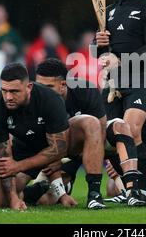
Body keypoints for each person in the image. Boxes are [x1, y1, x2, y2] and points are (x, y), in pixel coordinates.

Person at [0, 63, 104, 210]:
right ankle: (38, 189)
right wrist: (13, 197)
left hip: (55, 148)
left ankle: (94, 195)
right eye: (4, 90)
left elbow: (58, 149)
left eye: (14, 91)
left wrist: (18, 166)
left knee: (91, 123)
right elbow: (4, 160)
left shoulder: (50, 99)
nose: (8, 97)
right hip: (24, 148)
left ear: (29, 87)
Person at [94, 0, 146, 204]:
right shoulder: (110, 10)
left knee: (131, 130)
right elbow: (103, 55)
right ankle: (131, 188)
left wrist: (122, 62)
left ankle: (138, 191)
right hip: (113, 83)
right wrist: (99, 46)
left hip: (142, 78)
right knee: (109, 137)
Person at [28, 58, 106, 208]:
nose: (42, 91)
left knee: (93, 123)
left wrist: (68, 160)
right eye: (39, 86)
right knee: (43, 201)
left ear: (63, 85)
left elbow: (101, 131)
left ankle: (95, 193)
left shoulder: (86, 91)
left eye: (48, 86)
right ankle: (64, 186)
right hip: (48, 155)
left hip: (82, 148)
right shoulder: (32, 98)